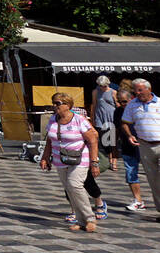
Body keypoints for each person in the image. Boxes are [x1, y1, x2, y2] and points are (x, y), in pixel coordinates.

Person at [40, 92, 100, 232]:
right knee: (70, 189)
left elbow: (92, 140)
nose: (55, 106)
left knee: (75, 185)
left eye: (58, 104)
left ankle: (90, 218)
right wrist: (45, 157)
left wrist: (94, 162)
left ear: (68, 105)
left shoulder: (79, 120)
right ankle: (80, 220)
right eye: (53, 103)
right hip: (60, 159)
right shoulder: (53, 120)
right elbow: (49, 140)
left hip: (80, 159)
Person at [120, 78, 160, 220]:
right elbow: (125, 122)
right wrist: (130, 135)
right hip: (144, 145)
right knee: (153, 179)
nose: (137, 93)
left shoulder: (159, 102)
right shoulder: (132, 105)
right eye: (135, 90)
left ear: (149, 89)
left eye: (140, 90)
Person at [113, 80, 145, 212]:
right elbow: (116, 130)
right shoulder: (118, 112)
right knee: (131, 173)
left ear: (131, 99)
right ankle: (138, 201)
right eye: (119, 102)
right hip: (127, 145)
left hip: (145, 145)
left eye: (124, 102)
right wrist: (113, 148)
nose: (121, 104)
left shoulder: (140, 109)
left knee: (154, 173)